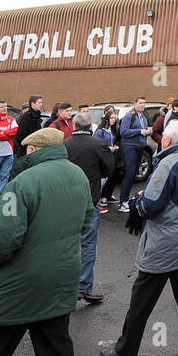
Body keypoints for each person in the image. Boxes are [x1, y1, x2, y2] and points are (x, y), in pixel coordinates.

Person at [0, 128, 93, 356]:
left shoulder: (20, 183)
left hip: (21, 281)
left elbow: (4, 238)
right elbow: (87, 219)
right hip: (62, 275)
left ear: (32, 150)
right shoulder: (79, 175)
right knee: (56, 353)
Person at [101, 121, 178, 356]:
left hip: (165, 244)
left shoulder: (167, 164)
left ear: (166, 141)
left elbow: (151, 205)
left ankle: (126, 350)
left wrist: (138, 203)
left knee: (140, 301)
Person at [64, 113, 113, 302]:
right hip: (90, 201)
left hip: (68, 203)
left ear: (74, 126)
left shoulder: (64, 145)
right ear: (89, 127)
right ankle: (83, 286)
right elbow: (110, 169)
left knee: (67, 244)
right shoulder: (98, 145)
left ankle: (67, 286)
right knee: (88, 244)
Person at [117, 98, 151, 212]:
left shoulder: (143, 117)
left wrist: (146, 132)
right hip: (129, 147)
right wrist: (139, 131)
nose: (142, 105)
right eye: (140, 103)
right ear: (135, 104)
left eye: (144, 103)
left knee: (134, 174)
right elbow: (123, 131)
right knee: (129, 173)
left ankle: (125, 199)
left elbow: (143, 129)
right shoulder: (129, 116)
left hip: (139, 147)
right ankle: (123, 202)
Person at [95, 106, 119, 212]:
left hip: (111, 156)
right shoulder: (100, 131)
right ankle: (99, 199)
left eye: (115, 118)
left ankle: (107, 196)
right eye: (112, 118)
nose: (113, 120)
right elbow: (96, 144)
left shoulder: (113, 130)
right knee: (102, 179)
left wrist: (115, 146)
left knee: (112, 176)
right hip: (103, 157)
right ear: (107, 119)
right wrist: (108, 148)